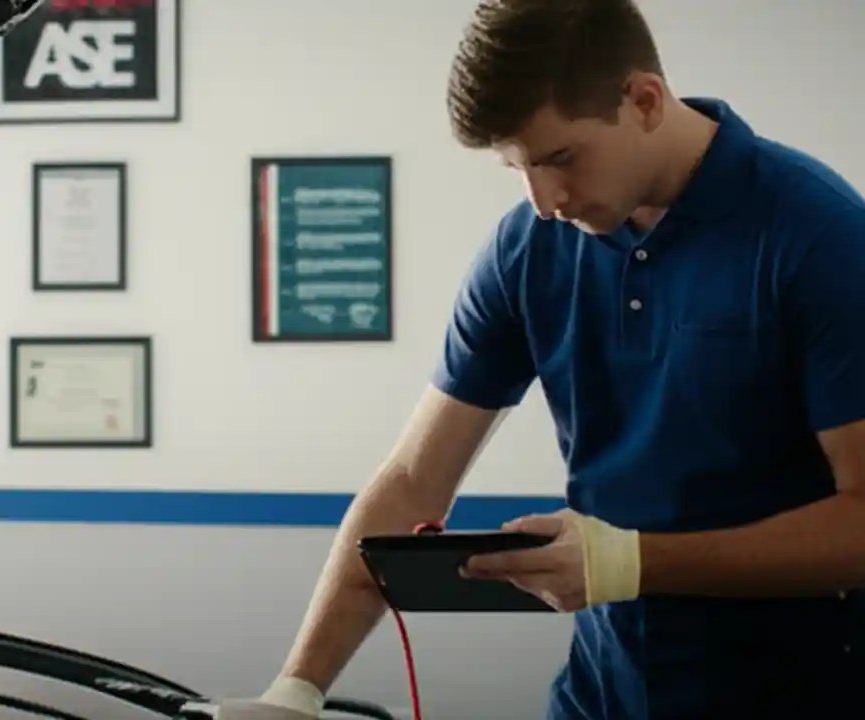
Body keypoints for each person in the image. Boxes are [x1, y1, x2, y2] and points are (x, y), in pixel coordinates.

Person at [207, 0, 865, 718]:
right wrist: (294, 693)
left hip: (798, 691)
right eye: (517, 168)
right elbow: (411, 480)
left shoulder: (819, 236)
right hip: (601, 693)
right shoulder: (527, 249)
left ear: (643, 100)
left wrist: (630, 563)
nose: (544, 199)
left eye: (560, 158)